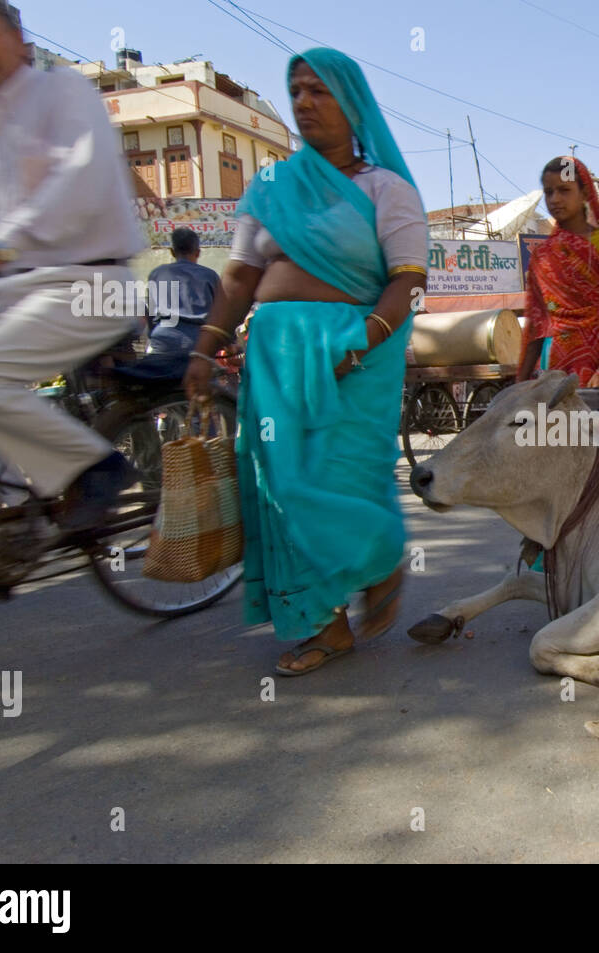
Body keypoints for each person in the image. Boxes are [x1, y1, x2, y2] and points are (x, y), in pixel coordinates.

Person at [182, 48, 427, 676]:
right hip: (275, 356)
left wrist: (361, 339)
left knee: (338, 482)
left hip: (355, 355)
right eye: (296, 90)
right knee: (281, 487)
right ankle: (325, 626)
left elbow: (406, 284)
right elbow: (238, 277)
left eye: (319, 90)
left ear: (352, 103)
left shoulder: (387, 190)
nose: (303, 102)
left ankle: (380, 557)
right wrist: (205, 345)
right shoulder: (271, 187)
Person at [0, 0, 147, 576]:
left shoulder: (64, 92)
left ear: (18, 38)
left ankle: (96, 468)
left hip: (92, 285)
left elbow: (80, 181)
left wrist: (1, 247)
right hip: (25, 296)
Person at [517, 156, 599, 412]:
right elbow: (535, 324)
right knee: (557, 445)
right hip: (555, 368)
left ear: (584, 193)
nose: (555, 199)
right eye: (548, 192)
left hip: (598, 364)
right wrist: (519, 384)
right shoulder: (542, 254)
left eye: (564, 190)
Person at [144, 227, 221, 354]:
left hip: (163, 339)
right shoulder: (210, 276)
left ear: (172, 252)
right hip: (199, 341)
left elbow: (151, 314)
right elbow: (220, 314)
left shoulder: (157, 273)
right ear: (198, 252)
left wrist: (153, 335)